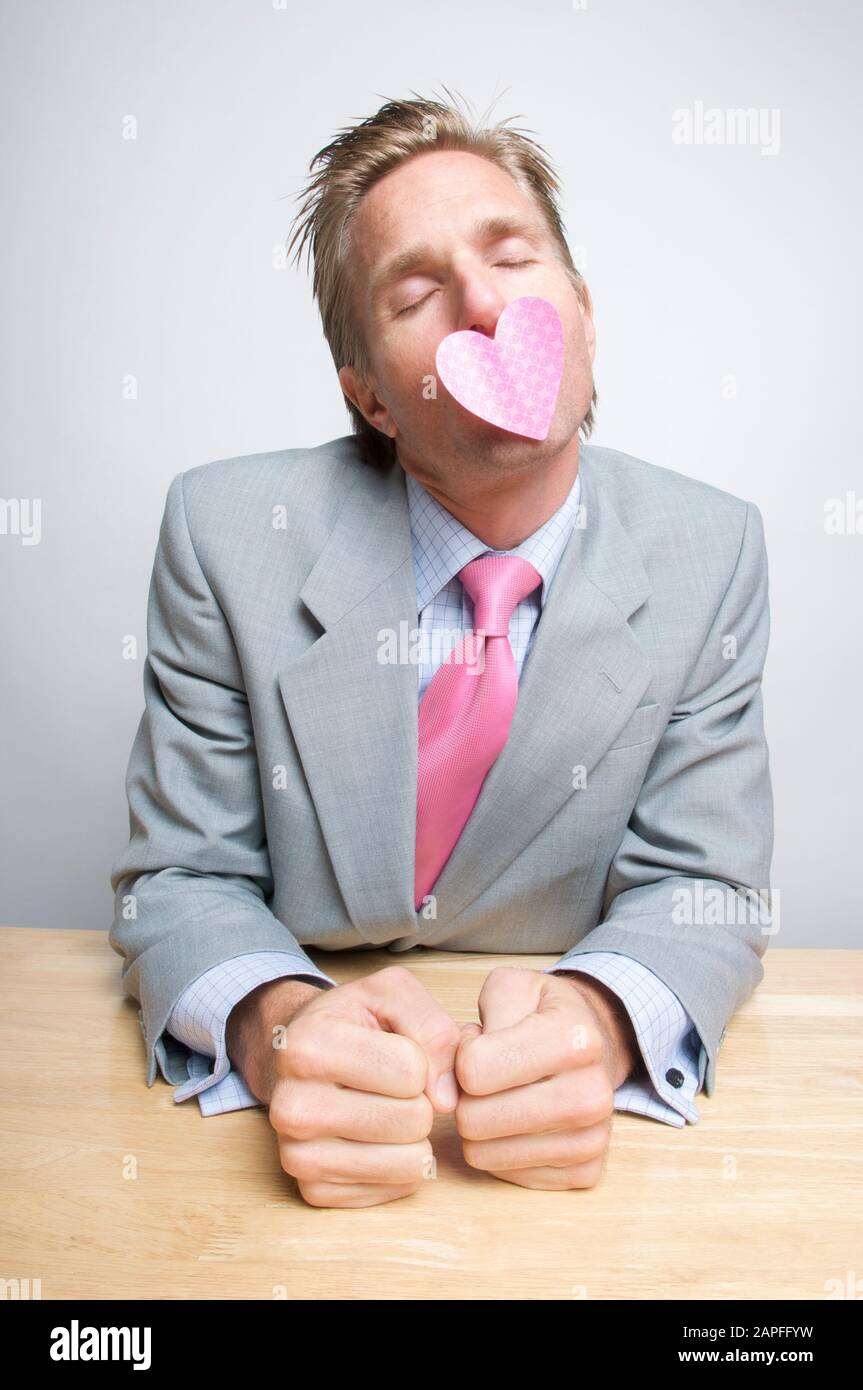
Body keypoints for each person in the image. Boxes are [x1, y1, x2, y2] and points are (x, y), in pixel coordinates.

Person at [109, 91, 774, 1208]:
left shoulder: (712, 549)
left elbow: (701, 880)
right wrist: (276, 1031)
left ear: (582, 312)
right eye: (415, 291)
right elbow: (179, 876)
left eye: (513, 257)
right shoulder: (223, 535)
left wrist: (601, 1023)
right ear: (368, 392)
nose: (480, 302)